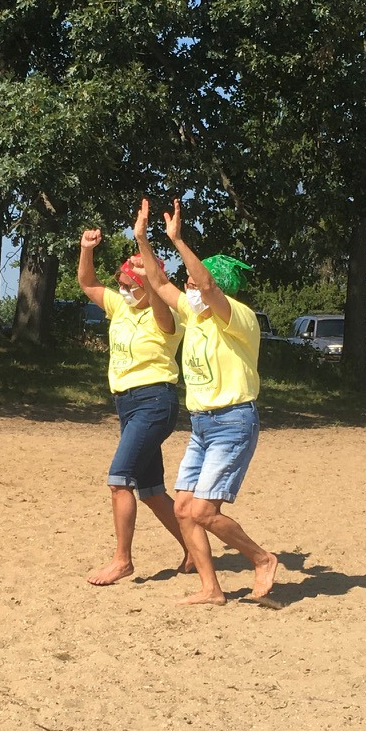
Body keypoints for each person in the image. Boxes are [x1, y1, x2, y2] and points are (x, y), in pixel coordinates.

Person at [133, 198, 278, 605]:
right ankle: (211, 589)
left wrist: (178, 241)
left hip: (233, 422)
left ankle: (262, 559)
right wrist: (143, 239)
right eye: (190, 283)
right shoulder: (194, 315)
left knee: (202, 512)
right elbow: (160, 284)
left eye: (195, 283)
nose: (190, 288)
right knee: (183, 509)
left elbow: (209, 287)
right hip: (201, 426)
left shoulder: (239, 317)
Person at [75, 209, 189, 584]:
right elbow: (88, 283)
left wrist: (150, 276)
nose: (124, 289)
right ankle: (193, 549)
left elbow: (161, 309)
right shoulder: (120, 308)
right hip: (126, 404)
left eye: (131, 283)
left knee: (119, 479)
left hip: (154, 401)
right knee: (151, 490)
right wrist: (86, 249)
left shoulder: (167, 314)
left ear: (149, 284)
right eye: (122, 282)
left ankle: (122, 560)